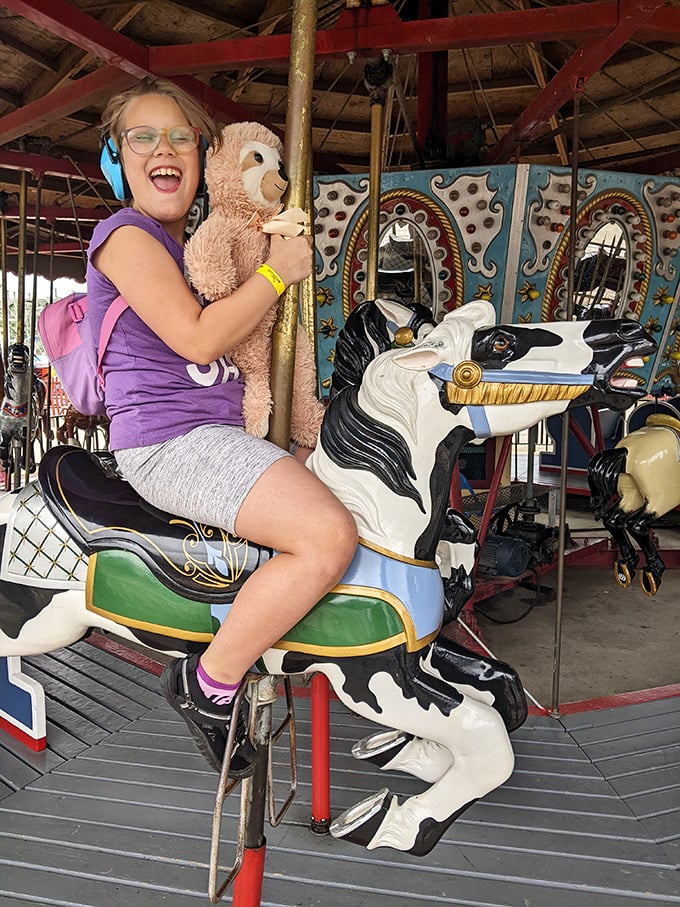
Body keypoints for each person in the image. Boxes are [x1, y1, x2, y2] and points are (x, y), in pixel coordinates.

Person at [87, 77, 358, 775]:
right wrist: (276, 273)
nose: (163, 148)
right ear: (117, 159)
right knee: (328, 536)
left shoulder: (198, 249)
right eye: (142, 136)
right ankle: (208, 684)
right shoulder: (125, 236)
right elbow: (198, 338)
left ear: (205, 159)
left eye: (181, 135)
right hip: (168, 442)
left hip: (220, 433)